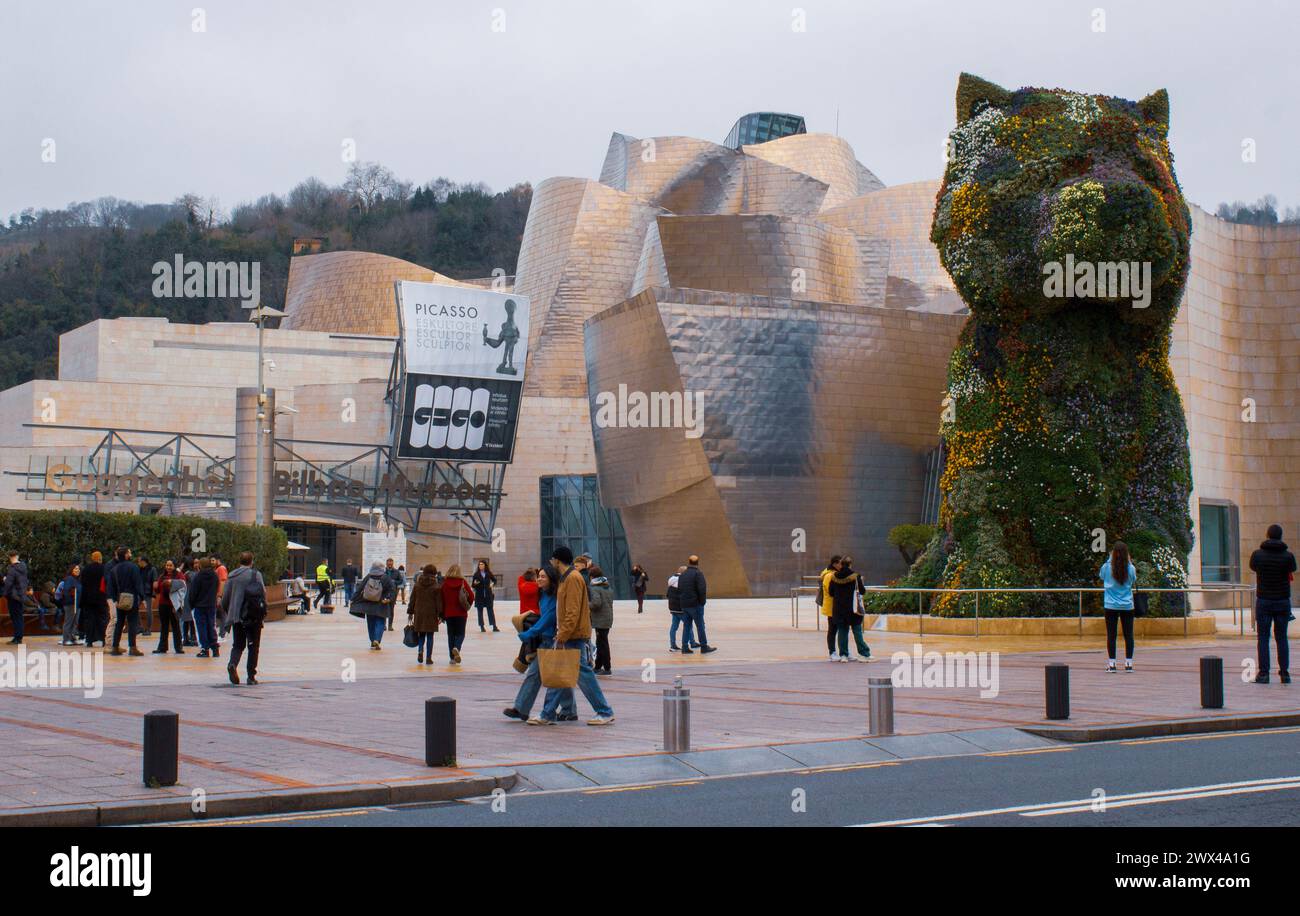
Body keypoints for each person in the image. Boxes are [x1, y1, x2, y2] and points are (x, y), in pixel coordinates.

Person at [530, 546, 615, 726]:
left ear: (557, 560)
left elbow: (573, 610)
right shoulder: (566, 578)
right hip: (570, 635)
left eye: (553, 560)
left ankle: (604, 711)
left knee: (581, 674)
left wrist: (563, 634)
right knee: (564, 672)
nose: (551, 563)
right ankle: (548, 713)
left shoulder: (573, 578)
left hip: (573, 636)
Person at [504, 565, 577, 722]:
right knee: (542, 675)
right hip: (545, 640)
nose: (539, 579)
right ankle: (522, 709)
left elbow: (549, 618)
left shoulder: (554, 596)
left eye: (543, 576)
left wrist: (530, 632)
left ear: (551, 579)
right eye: (539, 576)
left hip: (553, 641)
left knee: (556, 676)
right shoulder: (543, 594)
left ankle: (568, 709)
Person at [1249, 524, 1297, 684]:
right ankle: (1285, 673)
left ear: (1267, 535)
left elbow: (1253, 567)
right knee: (1282, 637)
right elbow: (1293, 569)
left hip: (1264, 600)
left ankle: (1263, 674)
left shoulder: (1257, 555)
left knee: (1263, 637)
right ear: (1281, 536)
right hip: (1282, 601)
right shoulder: (1288, 556)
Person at [220, 552, 266, 685]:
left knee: (238, 645)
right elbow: (263, 593)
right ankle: (251, 676)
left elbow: (225, 598)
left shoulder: (232, 575)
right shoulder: (256, 575)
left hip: (237, 617)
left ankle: (232, 664)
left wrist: (231, 611)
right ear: (252, 561)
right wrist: (263, 611)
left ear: (239, 561)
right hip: (253, 616)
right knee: (253, 646)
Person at [1100, 541, 1138, 672]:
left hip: (1110, 605)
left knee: (1111, 635)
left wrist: (1110, 559)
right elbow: (1133, 580)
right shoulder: (1131, 568)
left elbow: (1101, 576)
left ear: (1113, 553)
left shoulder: (1106, 567)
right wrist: (1130, 562)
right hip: (1127, 605)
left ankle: (1112, 664)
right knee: (1129, 635)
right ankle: (1128, 663)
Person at [827, 555, 871, 662]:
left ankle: (843, 655)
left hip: (839, 609)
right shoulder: (855, 576)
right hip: (853, 609)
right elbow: (862, 591)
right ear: (850, 564)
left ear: (841, 564)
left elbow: (831, 592)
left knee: (842, 631)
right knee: (857, 631)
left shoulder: (834, 577)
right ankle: (864, 653)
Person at [107, 546, 146, 656]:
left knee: (119, 623)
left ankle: (115, 647)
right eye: (129, 552)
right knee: (132, 623)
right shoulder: (133, 567)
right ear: (125, 555)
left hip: (120, 599)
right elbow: (138, 583)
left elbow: (111, 586)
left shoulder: (114, 569)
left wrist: (115, 599)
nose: (130, 553)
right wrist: (142, 597)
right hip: (132, 598)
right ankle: (132, 648)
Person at [351, 561, 396, 649]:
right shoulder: (385, 577)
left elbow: (359, 588)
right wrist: (389, 599)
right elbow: (392, 590)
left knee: (370, 623)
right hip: (381, 604)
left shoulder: (368, 576)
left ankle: (372, 640)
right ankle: (377, 639)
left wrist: (353, 598)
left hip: (368, 604)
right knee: (380, 622)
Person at [676, 555, 716, 654]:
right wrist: (702, 602)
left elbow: (679, 589)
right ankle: (704, 646)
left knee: (687, 626)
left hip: (685, 605)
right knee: (700, 626)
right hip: (695, 605)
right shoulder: (698, 574)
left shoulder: (683, 574)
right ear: (698, 563)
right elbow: (702, 590)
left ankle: (685, 647)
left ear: (689, 562)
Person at [406, 564, 443, 665]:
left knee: (421, 634)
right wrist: (441, 614)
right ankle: (428, 658)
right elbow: (439, 602)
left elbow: (412, 599)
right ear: (434, 573)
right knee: (430, 636)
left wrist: (410, 612)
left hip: (419, 613)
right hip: (431, 613)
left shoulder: (417, 585)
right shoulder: (436, 586)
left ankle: (420, 651)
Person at [440, 565, 473, 663]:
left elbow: (441, 599)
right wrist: (467, 605)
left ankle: (452, 658)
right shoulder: (463, 582)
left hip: (449, 614)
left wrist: (442, 613)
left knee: (451, 635)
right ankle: (457, 648)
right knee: (460, 634)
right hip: (461, 613)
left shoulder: (444, 583)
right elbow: (471, 596)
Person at [152, 559, 186, 654]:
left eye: (170, 565)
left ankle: (178, 647)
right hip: (163, 604)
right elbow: (158, 590)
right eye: (167, 565)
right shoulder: (162, 576)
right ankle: (162, 647)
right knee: (164, 626)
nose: (168, 567)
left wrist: (171, 583)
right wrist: (155, 587)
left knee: (176, 627)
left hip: (174, 605)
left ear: (174, 566)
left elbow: (183, 586)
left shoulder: (179, 576)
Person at [189, 557, 221, 659]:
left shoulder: (198, 577)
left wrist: (191, 604)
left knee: (201, 627)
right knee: (211, 625)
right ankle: (215, 649)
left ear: (201, 565)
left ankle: (205, 649)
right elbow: (217, 588)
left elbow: (193, 592)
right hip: (211, 605)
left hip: (200, 606)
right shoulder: (215, 576)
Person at [588, 564, 614, 675]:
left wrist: (585, 604)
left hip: (600, 620)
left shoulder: (595, 588)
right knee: (602, 642)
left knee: (602, 644)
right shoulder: (607, 586)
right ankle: (599, 666)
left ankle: (606, 668)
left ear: (592, 576)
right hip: (607, 618)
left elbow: (596, 603)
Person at [80, 551, 109, 647]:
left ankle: (89, 640)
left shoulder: (86, 569)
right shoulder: (104, 568)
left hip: (88, 599)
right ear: (100, 558)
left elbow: (83, 583)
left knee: (89, 619)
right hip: (101, 598)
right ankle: (103, 639)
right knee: (102, 619)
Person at [667, 565, 696, 651]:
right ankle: (692, 643)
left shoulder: (671, 581)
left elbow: (668, 595)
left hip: (673, 608)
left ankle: (673, 645)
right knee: (688, 626)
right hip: (681, 608)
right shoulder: (682, 581)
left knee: (674, 627)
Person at [820, 555, 842, 661]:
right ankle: (832, 652)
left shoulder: (832, 574)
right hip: (832, 607)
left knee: (839, 629)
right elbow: (832, 592)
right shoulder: (830, 576)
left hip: (835, 607)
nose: (842, 566)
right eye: (840, 563)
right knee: (833, 630)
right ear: (835, 564)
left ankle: (842, 651)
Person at [4, 551, 28, 644]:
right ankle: (19, 637)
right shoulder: (23, 567)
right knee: (19, 617)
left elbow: (8, 584)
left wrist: (4, 593)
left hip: (13, 596)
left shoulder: (12, 568)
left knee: (15, 617)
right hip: (21, 596)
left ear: (10, 557)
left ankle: (17, 638)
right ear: (17, 556)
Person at [58, 564, 82, 646]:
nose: (77, 570)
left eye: (78, 569)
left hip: (77, 604)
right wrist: (71, 599)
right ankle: (66, 639)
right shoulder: (69, 579)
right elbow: (66, 591)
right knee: (69, 621)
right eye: (75, 568)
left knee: (75, 622)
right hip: (70, 604)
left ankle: (72, 638)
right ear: (71, 570)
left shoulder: (77, 579)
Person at [472, 559, 498, 632]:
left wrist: (492, 584)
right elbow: (473, 585)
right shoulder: (476, 574)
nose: (480, 566)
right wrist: (475, 584)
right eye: (479, 564)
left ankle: (494, 626)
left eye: (482, 564)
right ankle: (482, 626)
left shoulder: (488, 573)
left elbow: (495, 580)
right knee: (480, 611)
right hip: (479, 596)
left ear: (485, 565)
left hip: (488, 595)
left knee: (490, 610)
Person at [137, 555, 157, 636]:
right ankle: (139, 627)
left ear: (143, 561)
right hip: (139, 593)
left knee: (149, 611)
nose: (138, 563)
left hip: (148, 593)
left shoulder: (152, 569)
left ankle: (148, 629)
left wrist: (153, 595)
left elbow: (155, 582)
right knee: (134, 609)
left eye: (139, 561)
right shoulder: (138, 570)